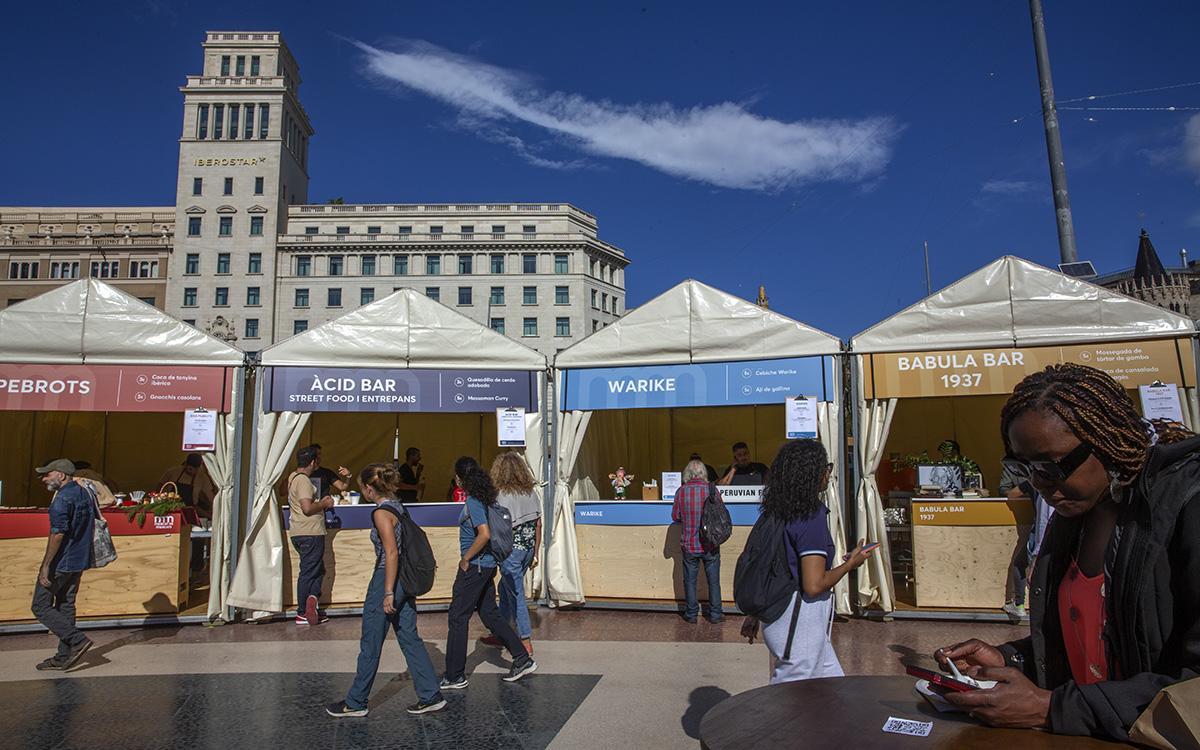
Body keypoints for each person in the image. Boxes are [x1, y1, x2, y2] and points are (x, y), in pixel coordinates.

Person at [934, 364, 1200, 740]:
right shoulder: (1074, 513)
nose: (1038, 483)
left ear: (1106, 441)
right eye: (1024, 467)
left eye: (1051, 466)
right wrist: (1014, 660)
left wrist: (1052, 708)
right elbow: (1098, 642)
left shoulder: (1187, 503)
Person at [741, 440, 874, 683]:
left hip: (784, 618)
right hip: (798, 621)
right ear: (813, 473)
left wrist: (755, 614)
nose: (828, 473)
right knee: (791, 701)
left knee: (832, 692)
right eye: (827, 467)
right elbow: (814, 585)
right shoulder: (810, 515)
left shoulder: (776, 511)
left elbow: (770, 567)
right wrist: (850, 565)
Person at [326, 464, 446, 717]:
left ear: (369, 489)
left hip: (387, 578)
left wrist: (388, 591)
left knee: (371, 639)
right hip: (407, 577)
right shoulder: (399, 507)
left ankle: (356, 701)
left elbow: (391, 551)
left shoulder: (381, 513)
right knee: (409, 636)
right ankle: (429, 694)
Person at [442, 456, 537, 689]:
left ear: (459, 478)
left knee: (457, 617)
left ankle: (455, 675)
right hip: (487, 566)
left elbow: (483, 534)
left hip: (475, 566)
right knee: (490, 614)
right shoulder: (487, 496)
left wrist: (466, 558)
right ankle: (522, 657)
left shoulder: (474, 500)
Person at [30, 459, 95, 671]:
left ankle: (77, 640)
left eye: (48, 474)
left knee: (40, 606)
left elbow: (57, 533)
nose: (44, 478)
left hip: (62, 562)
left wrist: (46, 565)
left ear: (62, 475)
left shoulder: (61, 500)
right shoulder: (83, 493)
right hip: (78, 560)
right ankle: (63, 656)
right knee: (66, 604)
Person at [481, 452, 542, 654]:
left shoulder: (499, 495)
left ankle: (524, 640)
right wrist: (535, 553)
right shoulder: (531, 493)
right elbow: (538, 524)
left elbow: (496, 527)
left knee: (516, 595)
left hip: (510, 553)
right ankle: (501, 633)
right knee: (506, 589)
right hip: (526, 550)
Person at [671, 459, 724, 624]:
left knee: (690, 581)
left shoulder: (681, 491)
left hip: (690, 544)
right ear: (703, 474)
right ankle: (715, 614)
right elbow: (721, 513)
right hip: (710, 544)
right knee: (714, 582)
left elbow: (675, 516)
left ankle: (691, 614)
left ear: (688, 474)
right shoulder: (712, 490)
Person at [288, 445, 335, 626]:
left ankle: (312, 603)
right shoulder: (305, 481)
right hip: (310, 532)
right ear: (313, 462)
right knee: (309, 571)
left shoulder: (293, 477)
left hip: (298, 531)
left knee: (316, 569)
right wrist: (324, 503)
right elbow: (307, 508)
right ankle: (303, 611)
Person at [998, 461, 1035, 619]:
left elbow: (1011, 494)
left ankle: (1020, 605)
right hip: (1051, 527)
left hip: (1039, 529)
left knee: (1021, 564)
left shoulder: (1034, 480)